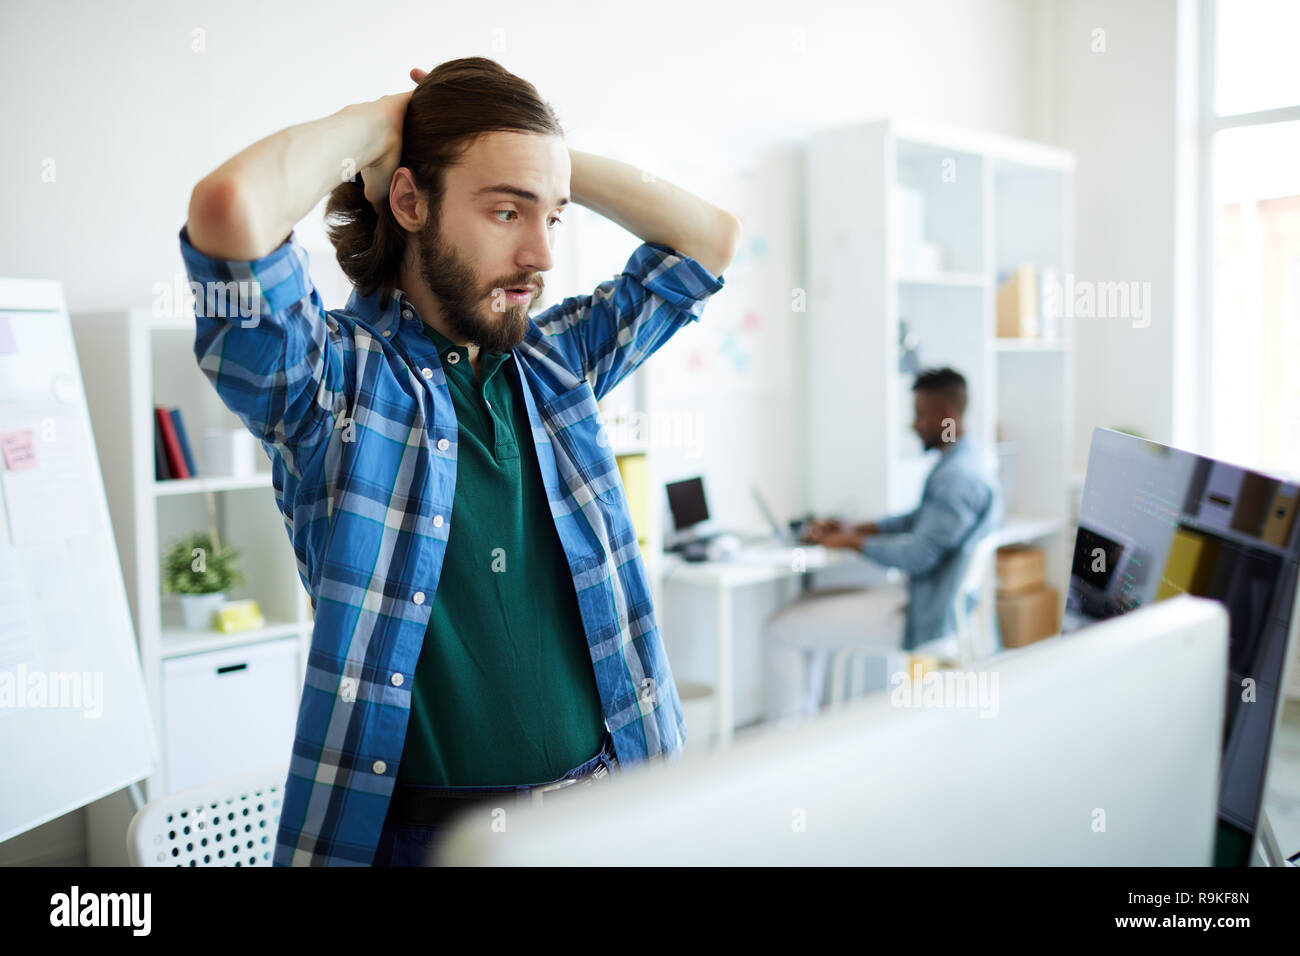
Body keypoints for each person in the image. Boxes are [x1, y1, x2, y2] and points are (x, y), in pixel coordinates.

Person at [180, 57, 741, 866]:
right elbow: (231, 210)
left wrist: (535, 160)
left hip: (614, 806)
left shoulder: (560, 363)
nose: (541, 255)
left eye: (554, 217)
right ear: (408, 201)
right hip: (427, 842)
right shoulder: (334, 384)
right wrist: (382, 121)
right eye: (507, 211)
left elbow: (709, 239)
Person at [764, 367, 1000, 722]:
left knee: (781, 629)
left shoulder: (955, 479)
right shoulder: (966, 463)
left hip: (920, 614)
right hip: (925, 600)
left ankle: (782, 743)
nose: (914, 424)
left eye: (920, 415)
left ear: (945, 417)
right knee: (802, 607)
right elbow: (917, 521)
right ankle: (801, 725)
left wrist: (850, 542)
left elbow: (917, 555)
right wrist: (855, 528)